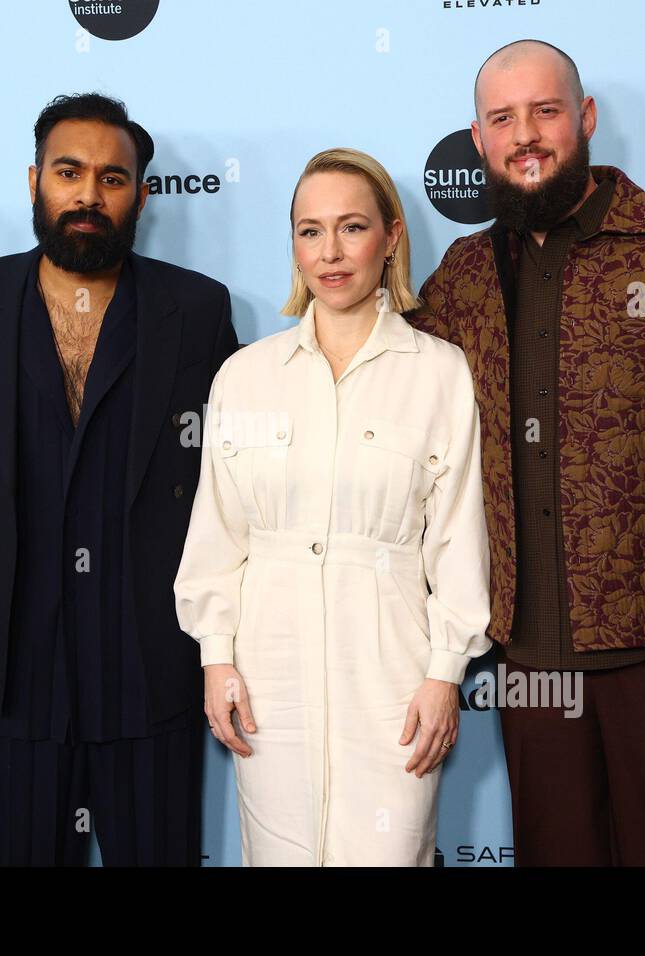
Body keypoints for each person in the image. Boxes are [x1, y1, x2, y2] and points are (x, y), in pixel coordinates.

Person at [412, 39, 645, 865]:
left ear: (583, 119)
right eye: (502, 119)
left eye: (545, 111)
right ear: (478, 140)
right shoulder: (465, 276)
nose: (526, 136)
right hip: (534, 672)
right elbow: (389, 392)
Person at [0, 93, 238, 866]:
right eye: (69, 172)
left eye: (112, 178)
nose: (88, 195)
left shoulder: (196, 309)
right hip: (14, 668)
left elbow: (233, 494)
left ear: (140, 194)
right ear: (34, 179)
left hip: (151, 667)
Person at [174, 148, 492, 866]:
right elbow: (218, 535)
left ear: (392, 236)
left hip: (394, 680)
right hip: (267, 681)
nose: (330, 251)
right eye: (309, 230)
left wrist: (446, 673)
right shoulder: (245, 377)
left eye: (352, 227)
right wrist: (216, 658)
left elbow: (457, 541)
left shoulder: (439, 374)